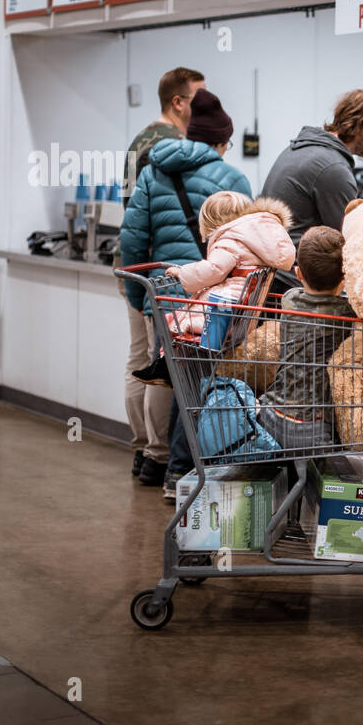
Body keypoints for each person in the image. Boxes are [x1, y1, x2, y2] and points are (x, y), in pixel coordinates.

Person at [119, 88, 251, 496]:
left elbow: (132, 239)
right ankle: (187, 469)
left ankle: (154, 460)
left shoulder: (152, 170)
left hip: (165, 291)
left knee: (162, 374)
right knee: (198, 384)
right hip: (212, 301)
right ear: (221, 142)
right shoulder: (232, 179)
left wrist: (139, 295)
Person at [120, 67, 206, 483]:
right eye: (199, 99)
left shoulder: (138, 141)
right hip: (163, 274)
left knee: (139, 361)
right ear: (179, 101)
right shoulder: (173, 147)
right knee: (162, 365)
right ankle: (157, 455)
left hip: (134, 269)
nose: (204, 108)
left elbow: (130, 219)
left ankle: (141, 448)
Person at [131, 191, 295, 384]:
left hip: (223, 312)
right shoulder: (251, 243)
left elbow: (211, 270)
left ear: (211, 223)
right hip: (238, 310)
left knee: (178, 320)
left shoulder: (229, 242)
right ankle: (165, 368)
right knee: (183, 318)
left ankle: (166, 370)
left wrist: (182, 273)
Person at [262, 88, 363, 291]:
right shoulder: (332, 168)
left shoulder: (304, 148)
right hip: (295, 284)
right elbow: (349, 239)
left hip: (274, 273)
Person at [255, 226, 357, 451]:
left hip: (272, 416)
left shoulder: (289, 300)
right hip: (316, 427)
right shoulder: (348, 314)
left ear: (298, 273)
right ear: (344, 276)